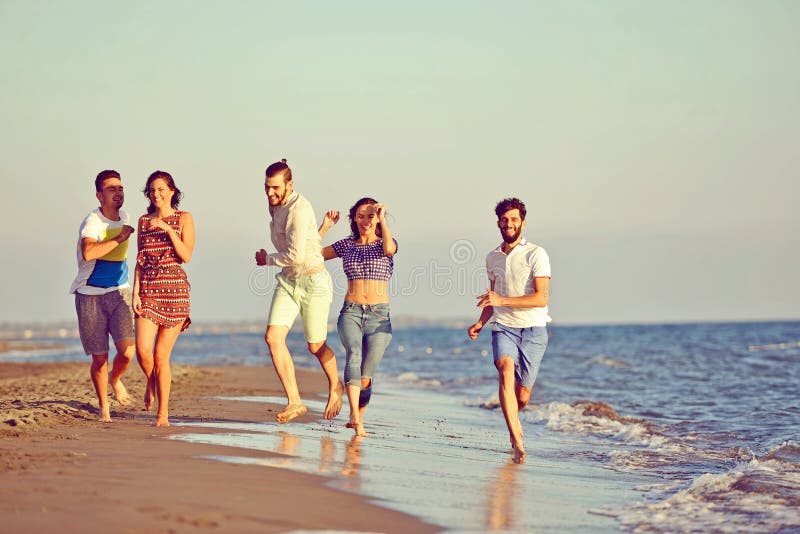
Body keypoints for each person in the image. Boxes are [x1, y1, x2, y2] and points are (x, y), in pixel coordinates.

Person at [254, 159, 343, 423]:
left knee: (315, 346)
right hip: (289, 281)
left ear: (290, 185)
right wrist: (324, 228)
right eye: (267, 188)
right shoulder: (276, 206)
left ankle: (336, 385)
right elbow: (304, 243)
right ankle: (294, 402)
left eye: (276, 188)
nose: (270, 193)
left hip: (313, 283)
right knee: (273, 338)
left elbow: (295, 254)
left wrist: (266, 259)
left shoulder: (299, 210)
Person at [467, 197, 551, 463]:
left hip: (534, 329)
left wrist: (501, 300)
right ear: (498, 223)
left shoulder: (537, 254)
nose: (509, 223)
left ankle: (515, 415)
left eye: (514, 219)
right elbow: (494, 297)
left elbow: (542, 298)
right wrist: (481, 322)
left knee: (522, 397)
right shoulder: (492, 258)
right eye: (505, 220)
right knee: (505, 369)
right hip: (504, 327)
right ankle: (517, 439)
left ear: (523, 223)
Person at [319, 198, 397, 436]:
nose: (365, 221)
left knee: (366, 376)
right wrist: (324, 228)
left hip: (379, 316)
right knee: (353, 355)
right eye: (361, 216)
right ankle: (354, 415)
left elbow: (389, 250)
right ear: (354, 218)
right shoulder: (346, 245)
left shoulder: (387, 243)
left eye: (370, 216)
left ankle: (358, 418)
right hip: (351, 311)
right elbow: (313, 254)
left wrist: (382, 218)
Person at [69, 170, 136, 422]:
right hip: (90, 295)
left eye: (120, 187)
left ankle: (115, 379)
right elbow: (88, 252)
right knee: (100, 358)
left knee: (128, 352)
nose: (118, 192)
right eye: (111, 189)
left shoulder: (127, 216)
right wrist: (119, 237)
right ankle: (104, 408)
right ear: (99, 195)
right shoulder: (92, 222)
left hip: (120, 292)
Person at [133, 171, 194, 427]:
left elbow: (186, 255)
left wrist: (169, 229)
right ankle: (152, 381)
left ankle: (163, 415)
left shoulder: (185, 218)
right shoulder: (144, 221)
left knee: (160, 356)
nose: (156, 194)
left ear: (171, 191)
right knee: (142, 350)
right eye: (152, 190)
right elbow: (139, 259)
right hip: (147, 289)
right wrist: (135, 291)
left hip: (174, 291)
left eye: (161, 189)